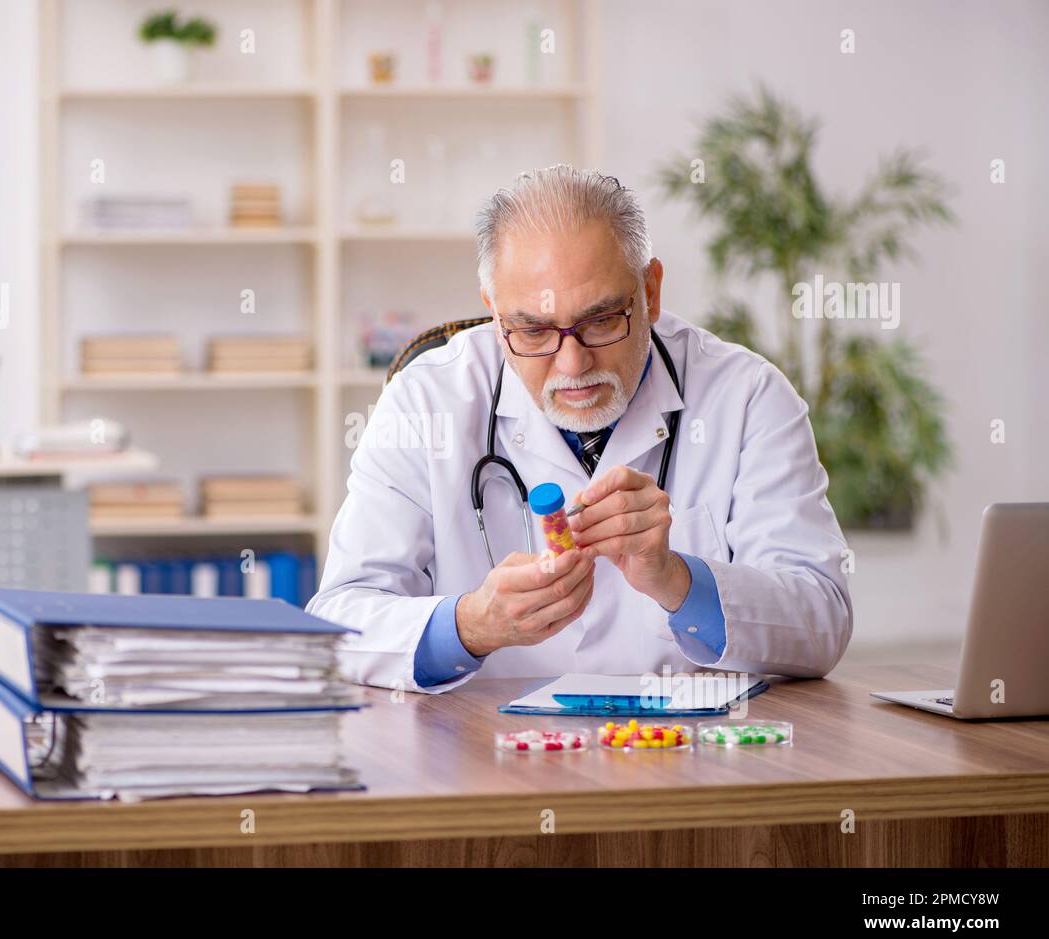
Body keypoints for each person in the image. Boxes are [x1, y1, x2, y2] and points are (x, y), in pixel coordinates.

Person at [307, 164, 852, 693]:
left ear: (651, 292)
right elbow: (339, 621)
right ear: (494, 312)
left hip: (688, 757)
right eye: (533, 330)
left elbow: (822, 620)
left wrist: (676, 580)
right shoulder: (426, 401)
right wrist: (472, 624)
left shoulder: (748, 395)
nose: (572, 365)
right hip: (486, 760)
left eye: (601, 321)